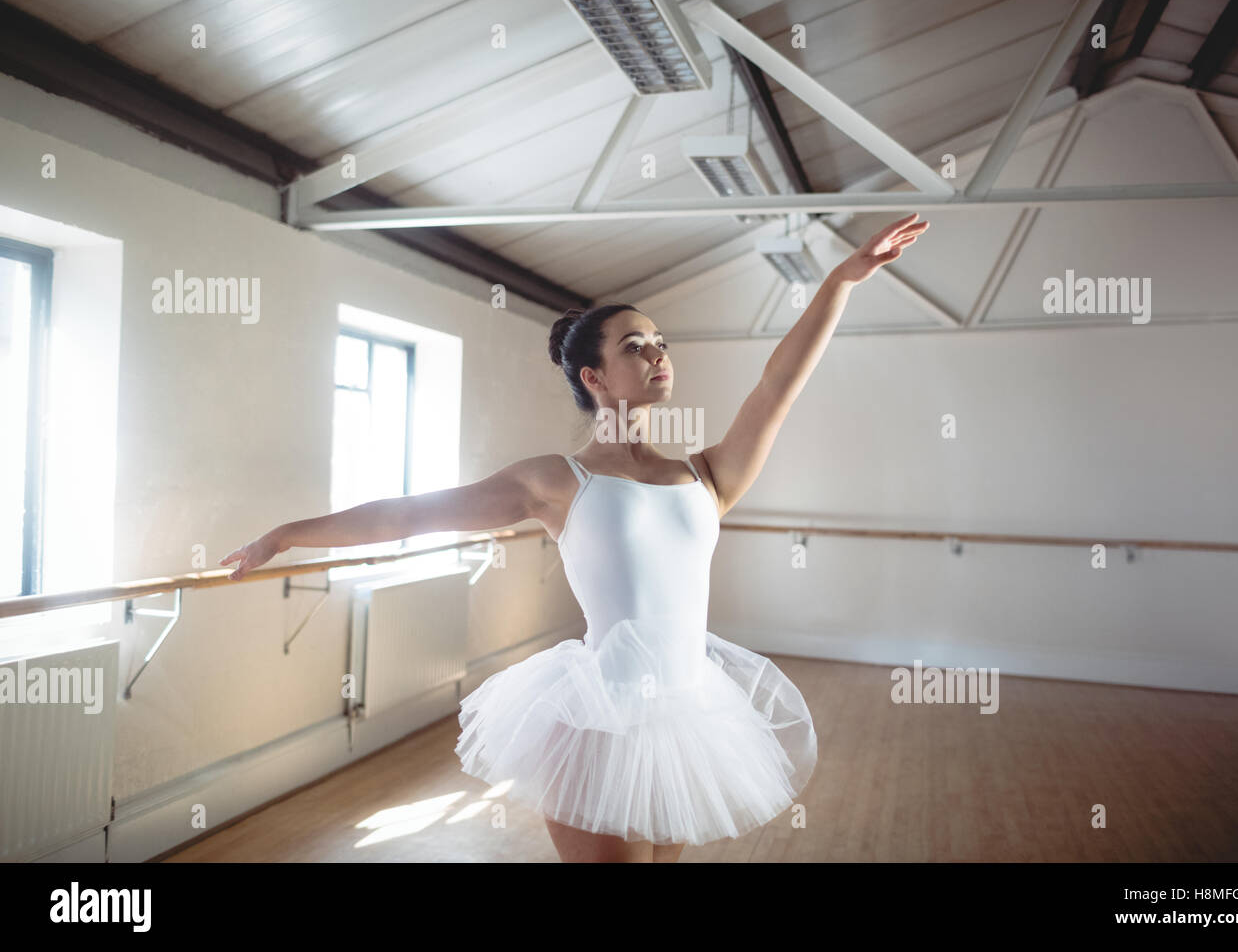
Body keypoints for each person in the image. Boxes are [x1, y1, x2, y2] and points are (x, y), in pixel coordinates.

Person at [221, 213, 929, 862]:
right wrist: (288, 535)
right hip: (598, 722)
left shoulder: (709, 476)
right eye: (635, 346)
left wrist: (840, 280)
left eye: (660, 342)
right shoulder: (558, 482)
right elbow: (413, 513)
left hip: (688, 717)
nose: (657, 354)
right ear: (594, 377)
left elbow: (777, 386)